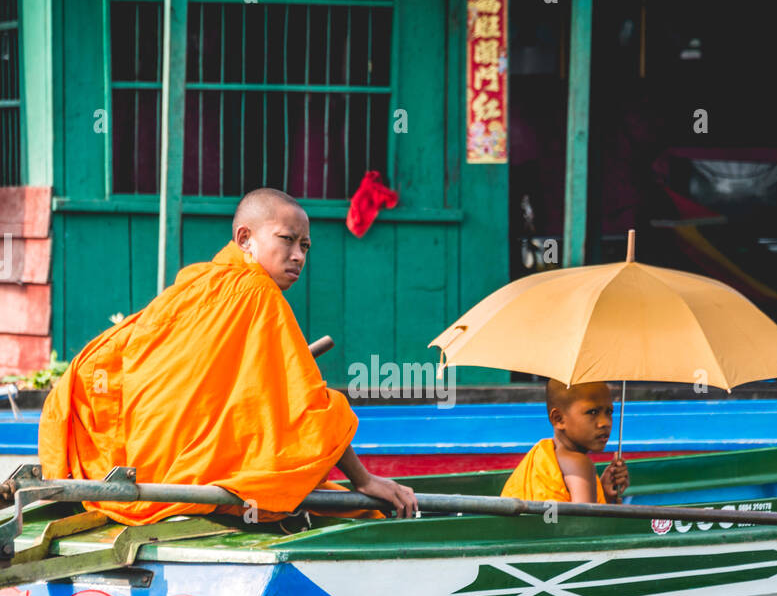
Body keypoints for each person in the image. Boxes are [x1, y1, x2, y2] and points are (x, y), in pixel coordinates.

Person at [39, 188, 418, 524]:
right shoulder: (256, 293)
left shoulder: (200, 280)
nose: (298, 256)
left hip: (138, 464)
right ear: (244, 238)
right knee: (347, 506)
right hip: (180, 472)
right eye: (287, 240)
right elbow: (307, 407)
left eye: (305, 246)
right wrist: (364, 480)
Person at [501, 379, 630, 504]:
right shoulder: (579, 463)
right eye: (593, 412)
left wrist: (604, 492)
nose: (605, 423)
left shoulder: (548, 454)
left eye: (609, 412)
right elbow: (585, 523)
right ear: (559, 419)